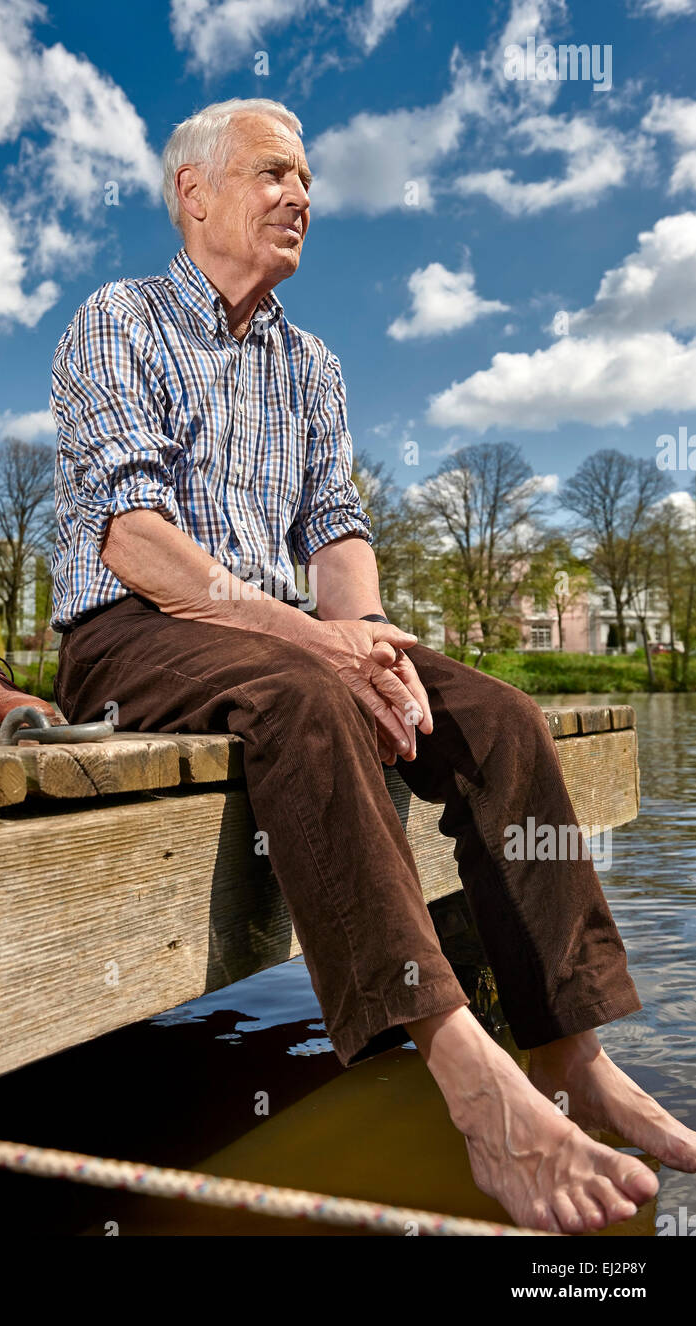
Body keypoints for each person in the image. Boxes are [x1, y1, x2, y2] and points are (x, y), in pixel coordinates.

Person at [44, 97, 696, 1232]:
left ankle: (569, 1051)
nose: (298, 195)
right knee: (305, 694)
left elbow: (337, 535)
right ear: (192, 192)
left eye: (307, 179)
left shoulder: (313, 365)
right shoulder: (120, 319)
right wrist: (318, 644)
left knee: (497, 719)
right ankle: (464, 1070)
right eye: (271, 173)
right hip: (132, 632)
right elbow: (132, 540)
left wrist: (381, 647)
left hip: (275, 633)